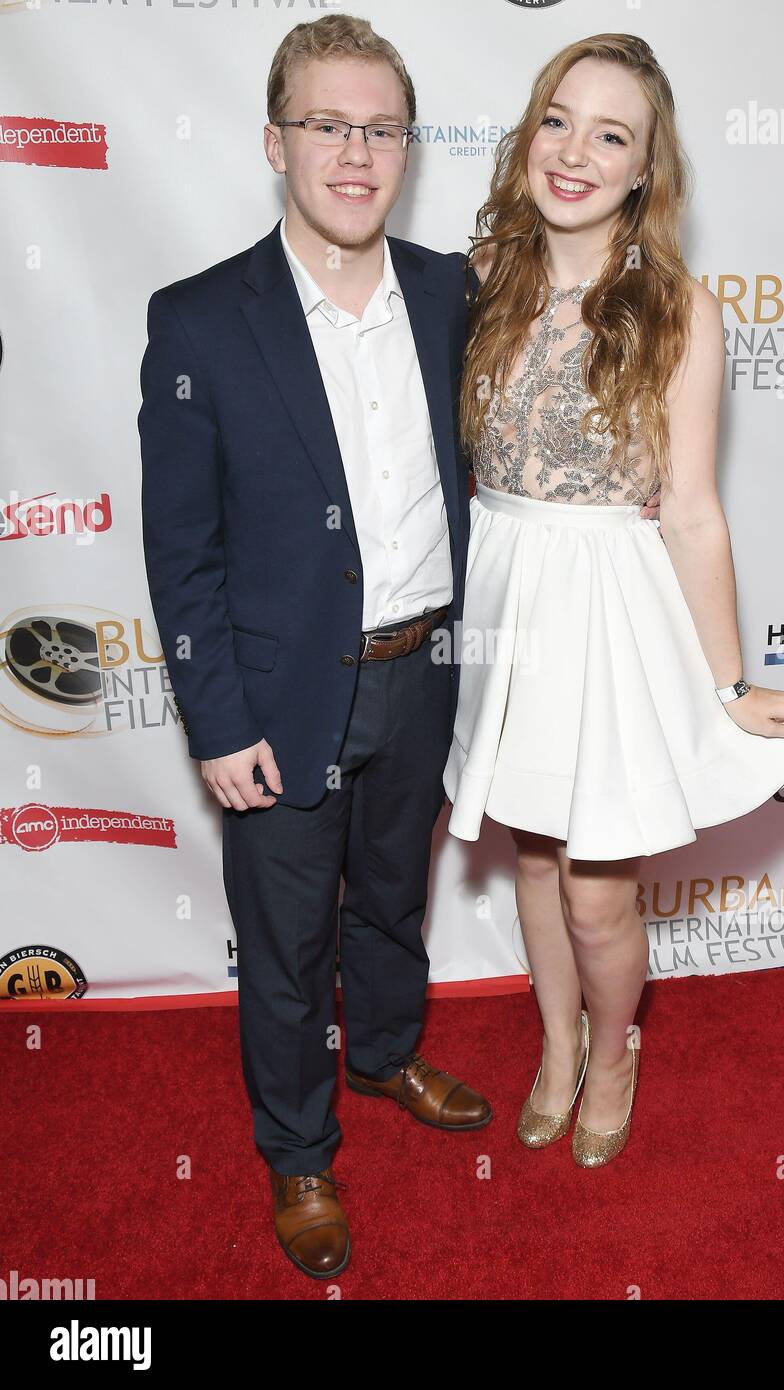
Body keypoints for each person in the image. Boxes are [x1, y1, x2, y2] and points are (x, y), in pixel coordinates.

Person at [443, 32, 784, 1169]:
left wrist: (727, 683)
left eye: (608, 134)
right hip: (502, 599)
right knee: (531, 858)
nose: (573, 151)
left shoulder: (678, 307)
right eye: (557, 120)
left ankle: (614, 1047)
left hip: (607, 613)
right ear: (528, 134)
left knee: (595, 897)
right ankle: (555, 1045)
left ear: (642, 170)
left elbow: (693, 510)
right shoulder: (474, 280)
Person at [138, 14, 491, 1281]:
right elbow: (182, 551)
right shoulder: (197, 322)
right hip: (278, 692)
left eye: (380, 127)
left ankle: (388, 1053)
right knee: (285, 940)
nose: (356, 152)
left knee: (393, 896)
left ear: (406, 144)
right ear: (275, 142)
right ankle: (296, 1150)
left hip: (424, 669)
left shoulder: (454, 292)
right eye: (327, 125)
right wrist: (217, 720)